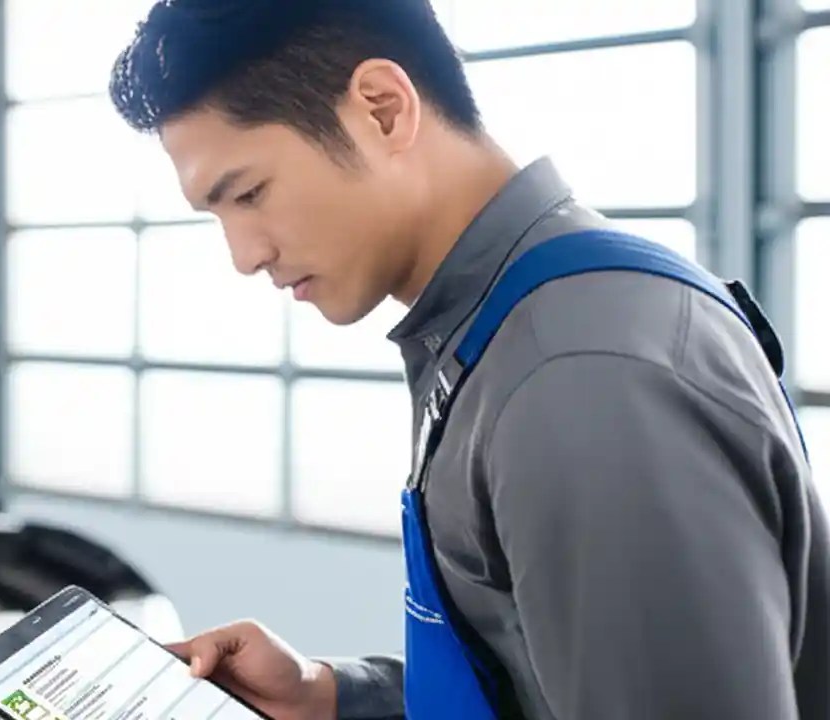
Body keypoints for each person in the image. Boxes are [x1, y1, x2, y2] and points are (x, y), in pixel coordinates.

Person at [107, 1, 829, 719]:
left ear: (383, 110)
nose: (245, 254)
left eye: (251, 194)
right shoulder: (507, 328)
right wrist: (330, 698)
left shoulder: (578, 376)